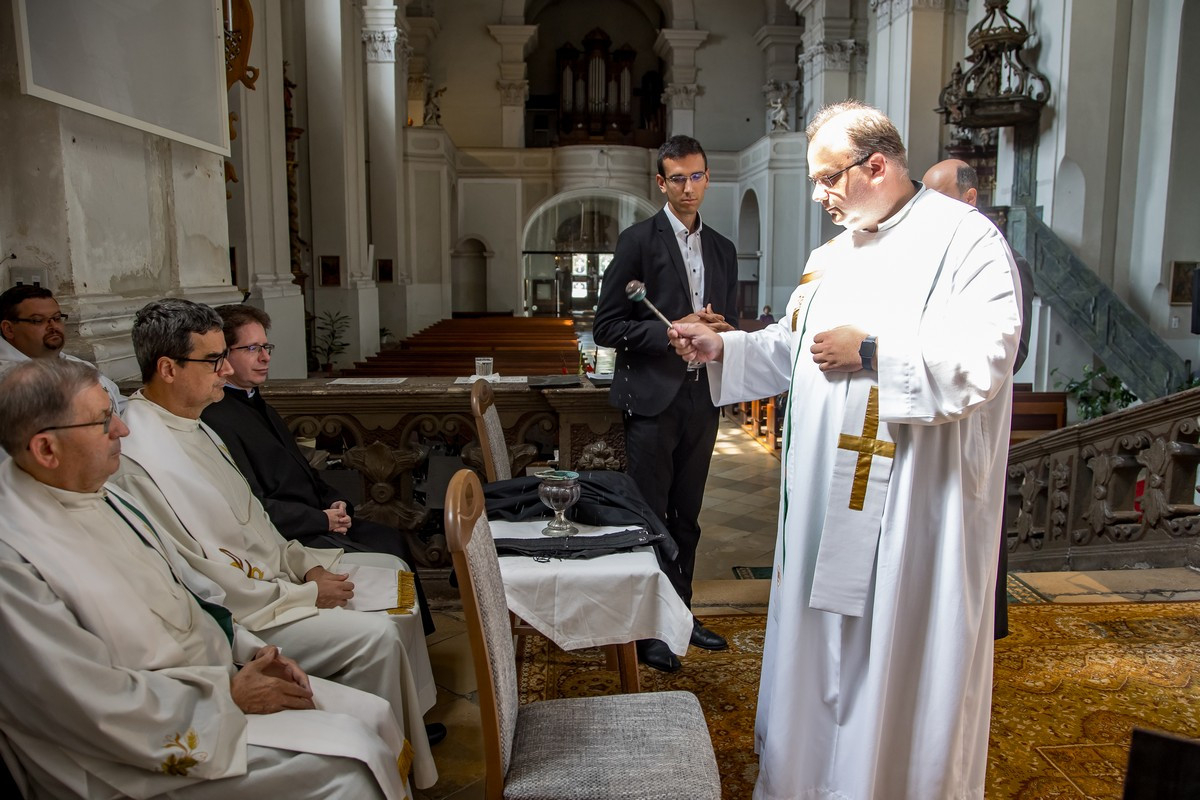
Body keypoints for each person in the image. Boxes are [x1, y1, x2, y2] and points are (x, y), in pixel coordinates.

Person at [670, 101, 1021, 799]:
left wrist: (872, 352)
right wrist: (725, 347)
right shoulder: (832, 254)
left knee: (894, 652)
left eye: (828, 178)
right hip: (826, 505)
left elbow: (989, 357)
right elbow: (795, 347)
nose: (818, 194)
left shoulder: (965, 241)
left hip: (914, 511)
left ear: (878, 165)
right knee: (819, 645)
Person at [0, 359, 414, 799]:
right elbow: (84, 702)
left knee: (370, 714)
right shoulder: (16, 557)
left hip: (208, 679)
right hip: (131, 751)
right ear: (47, 449)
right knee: (347, 768)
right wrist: (228, 696)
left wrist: (254, 651)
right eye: (104, 421)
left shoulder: (105, 495)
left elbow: (192, 591)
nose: (122, 430)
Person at [111, 299, 441, 785]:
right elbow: (200, 574)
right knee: (376, 639)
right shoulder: (144, 456)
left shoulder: (198, 426)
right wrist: (307, 592)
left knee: (391, 579)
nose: (225, 370)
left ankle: (401, 739)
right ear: (168, 368)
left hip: (279, 580)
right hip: (250, 609)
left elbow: (255, 524)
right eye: (214, 360)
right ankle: (389, 761)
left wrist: (305, 565)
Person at [592, 134, 739, 673]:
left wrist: (722, 329)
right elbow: (606, 326)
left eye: (696, 176)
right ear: (660, 182)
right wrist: (669, 335)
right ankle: (651, 630)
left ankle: (681, 613)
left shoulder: (722, 248)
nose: (688, 187)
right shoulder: (637, 241)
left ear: (707, 178)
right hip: (653, 401)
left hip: (703, 398)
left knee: (689, 518)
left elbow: (729, 323)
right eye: (677, 178)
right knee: (652, 518)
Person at [200, 304, 434, 636]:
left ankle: (414, 645)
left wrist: (338, 502)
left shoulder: (256, 401)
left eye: (266, 347)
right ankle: (390, 641)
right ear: (223, 356)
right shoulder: (217, 417)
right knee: (385, 554)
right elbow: (252, 505)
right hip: (292, 534)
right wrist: (321, 519)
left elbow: (305, 471)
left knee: (391, 537)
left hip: (318, 518)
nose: (264, 357)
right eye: (252, 348)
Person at [923, 157, 1035, 639]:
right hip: (930, 414)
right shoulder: (927, 260)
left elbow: (1015, 351)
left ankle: (982, 626)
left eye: (940, 198)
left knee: (973, 529)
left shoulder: (1004, 262)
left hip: (975, 417)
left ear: (970, 199)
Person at [0, 284, 124, 410]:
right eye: (38, 320)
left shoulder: (80, 366)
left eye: (57, 318)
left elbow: (122, 407)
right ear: (9, 329)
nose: (53, 326)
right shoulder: (7, 382)